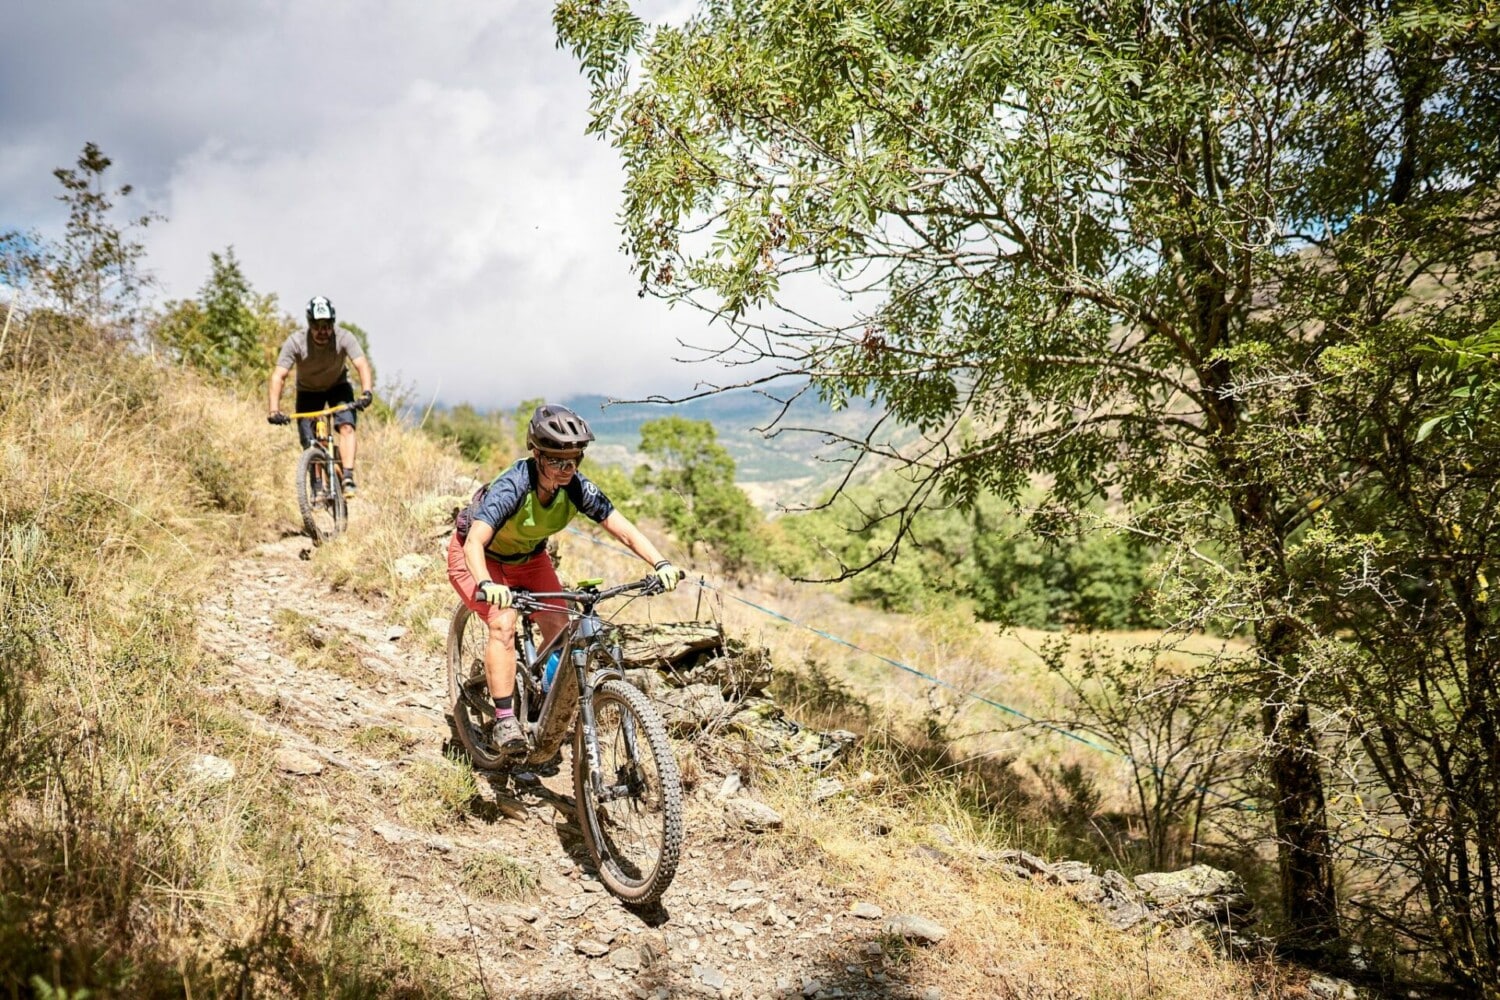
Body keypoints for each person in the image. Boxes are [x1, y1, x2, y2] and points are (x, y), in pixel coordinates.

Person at [448, 403, 683, 758]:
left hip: (528, 558)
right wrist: (486, 584)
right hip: (479, 558)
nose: (567, 470)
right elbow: (475, 543)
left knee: (561, 628)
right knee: (503, 622)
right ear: (537, 455)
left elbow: (622, 528)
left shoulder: (575, 487)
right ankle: (505, 718)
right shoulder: (513, 486)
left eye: (575, 461)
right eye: (558, 462)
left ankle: (541, 697)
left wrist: (660, 562)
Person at [267, 296, 375, 496]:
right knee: (311, 441)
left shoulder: (344, 337)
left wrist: (366, 392)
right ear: (309, 325)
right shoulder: (296, 342)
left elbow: (361, 364)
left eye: (327, 326)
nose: (322, 332)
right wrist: (274, 410)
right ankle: (318, 486)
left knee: (346, 426)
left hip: (338, 387)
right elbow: (278, 376)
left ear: (333, 324)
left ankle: (348, 477)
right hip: (308, 391)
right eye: (317, 327)